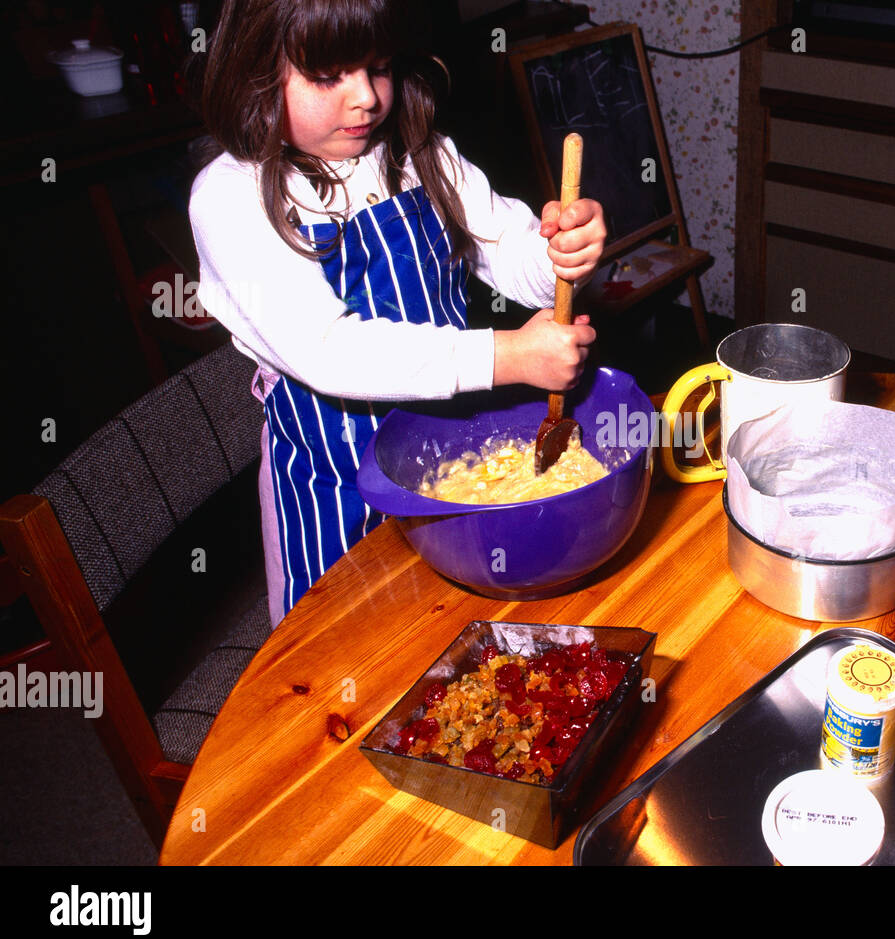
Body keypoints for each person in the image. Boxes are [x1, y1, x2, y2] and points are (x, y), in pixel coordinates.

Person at [188, 0, 605, 625]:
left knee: (456, 641)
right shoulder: (231, 198)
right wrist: (511, 356)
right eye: (329, 76)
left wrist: (558, 256)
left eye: (378, 67)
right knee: (348, 662)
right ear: (250, 74)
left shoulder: (419, 155)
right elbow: (328, 351)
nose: (366, 99)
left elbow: (509, 250)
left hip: (454, 462)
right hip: (336, 492)